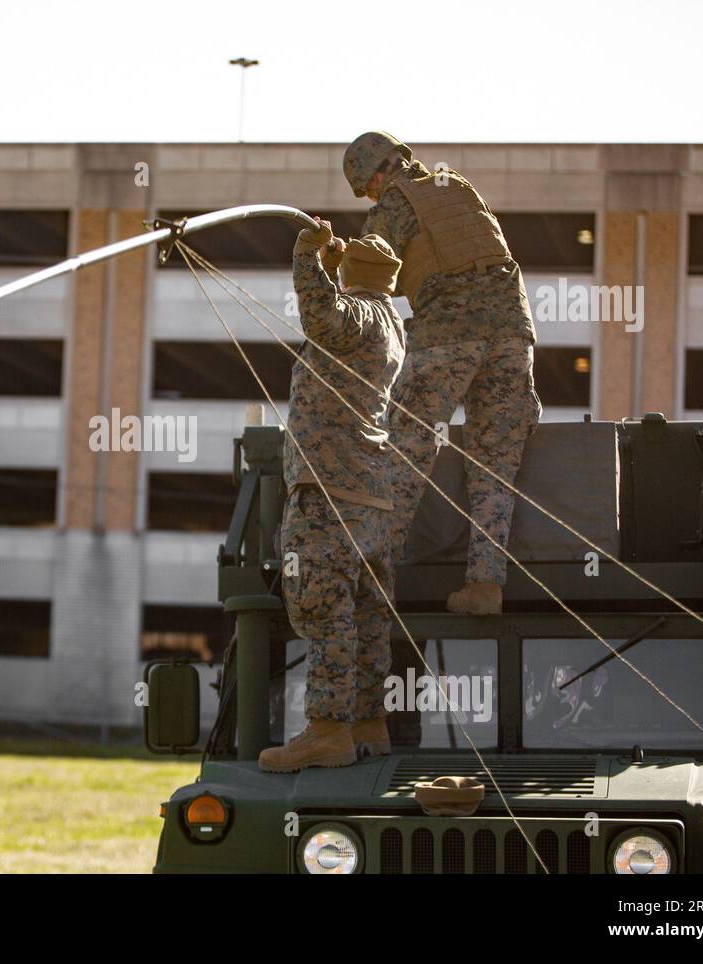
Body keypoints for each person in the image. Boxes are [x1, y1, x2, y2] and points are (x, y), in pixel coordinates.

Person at [345, 131, 542, 615]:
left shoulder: (393, 204)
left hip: (448, 333)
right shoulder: (457, 187)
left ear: (374, 177)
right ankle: (484, 588)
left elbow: (368, 275)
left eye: (367, 189)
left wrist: (330, 259)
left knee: (404, 453)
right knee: (494, 465)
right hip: (513, 334)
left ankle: (373, 585)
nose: (372, 197)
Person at [259, 223, 405, 773]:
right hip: (370, 500)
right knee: (367, 618)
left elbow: (322, 314)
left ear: (356, 280)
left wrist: (307, 254)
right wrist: (338, 262)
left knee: (325, 613)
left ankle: (326, 732)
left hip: (330, 496)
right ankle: (368, 723)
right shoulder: (392, 324)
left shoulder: (361, 318)